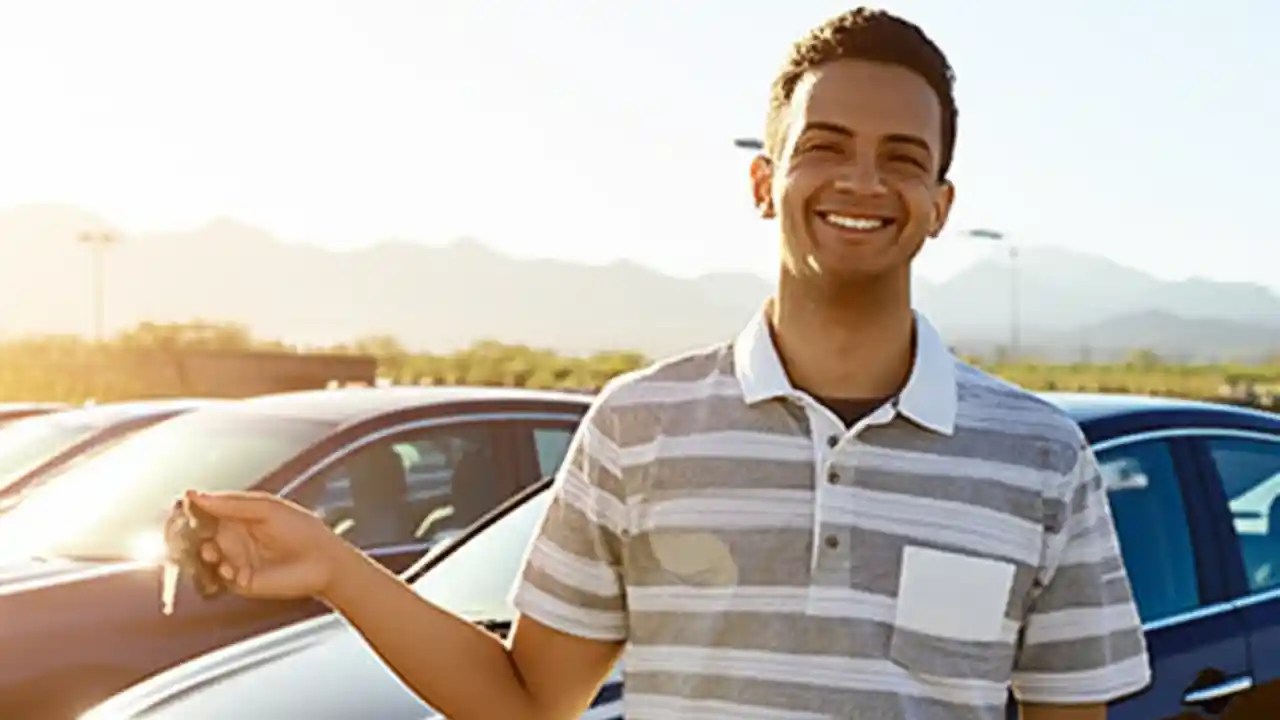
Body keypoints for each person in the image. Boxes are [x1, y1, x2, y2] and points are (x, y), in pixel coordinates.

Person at [175, 8, 1152, 719]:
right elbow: (528, 702)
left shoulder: (1037, 457)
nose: (861, 181)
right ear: (764, 182)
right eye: (825, 146)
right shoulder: (639, 425)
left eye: (901, 157)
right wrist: (337, 569)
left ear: (939, 205)